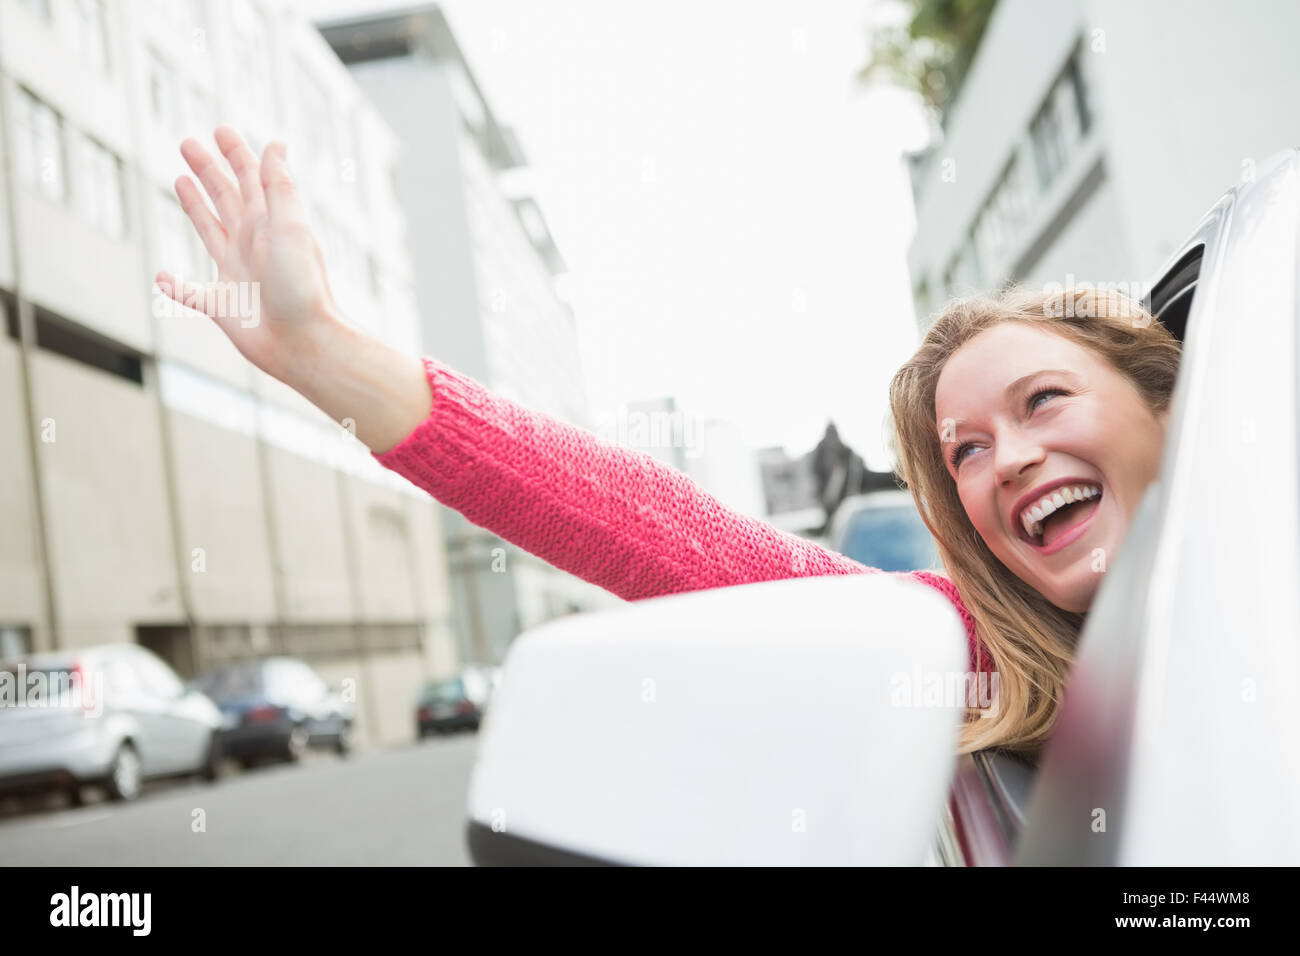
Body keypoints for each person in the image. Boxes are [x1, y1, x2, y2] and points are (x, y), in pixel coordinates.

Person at [156, 127, 1179, 758]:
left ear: (1165, 404)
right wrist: (321, 353)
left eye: (1042, 401)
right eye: (964, 451)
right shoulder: (965, 655)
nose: (1003, 458)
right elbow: (643, 528)